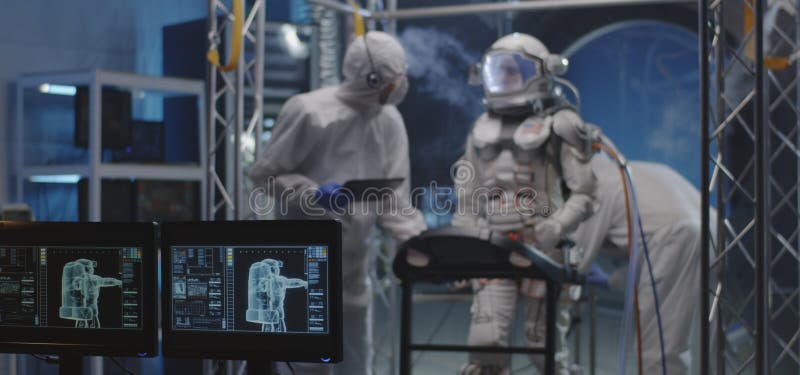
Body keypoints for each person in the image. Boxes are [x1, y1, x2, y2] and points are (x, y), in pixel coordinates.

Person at [248, 30, 426, 375]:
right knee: (304, 362)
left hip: (354, 265)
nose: (398, 87)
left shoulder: (389, 119)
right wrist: (311, 194)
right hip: (302, 260)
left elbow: (394, 200)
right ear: (369, 77)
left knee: (356, 360)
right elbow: (265, 175)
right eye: (390, 81)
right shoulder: (308, 111)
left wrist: (419, 242)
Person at [453, 33, 596, 375]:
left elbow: (585, 194)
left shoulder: (561, 124)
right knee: (485, 349)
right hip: (492, 249)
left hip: (544, 250)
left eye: (512, 70)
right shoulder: (480, 129)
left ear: (538, 72)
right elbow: (468, 196)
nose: (503, 78)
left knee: (543, 350)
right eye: (497, 70)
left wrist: (557, 226)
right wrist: (463, 250)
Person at [569, 143, 705, 374]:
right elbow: (649, 254)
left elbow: (573, 259)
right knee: (699, 346)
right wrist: (611, 280)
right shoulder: (645, 171)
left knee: (659, 351)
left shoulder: (596, 185)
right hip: (712, 235)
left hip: (678, 240)